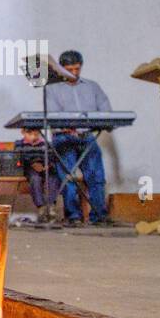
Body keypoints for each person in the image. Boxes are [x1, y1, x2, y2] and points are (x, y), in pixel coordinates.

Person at [46, 50, 113, 226]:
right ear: (61, 69)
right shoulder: (52, 89)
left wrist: (105, 120)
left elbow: (106, 110)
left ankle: (98, 216)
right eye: (70, 69)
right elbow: (53, 115)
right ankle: (73, 217)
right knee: (69, 179)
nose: (74, 73)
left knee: (96, 177)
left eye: (77, 69)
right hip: (63, 138)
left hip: (86, 136)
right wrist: (68, 127)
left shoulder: (92, 87)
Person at [15, 127, 55, 224]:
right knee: (35, 179)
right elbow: (19, 157)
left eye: (36, 133)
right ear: (23, 132)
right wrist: (32, 163)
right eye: (29, 133)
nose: (33, 135)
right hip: (30, 168)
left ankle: (50, 207)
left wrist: (47, 165)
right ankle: (41, 207)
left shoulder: (46, 144)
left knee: (53, 179)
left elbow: (52, 156)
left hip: (45, 168)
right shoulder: (19, 144)